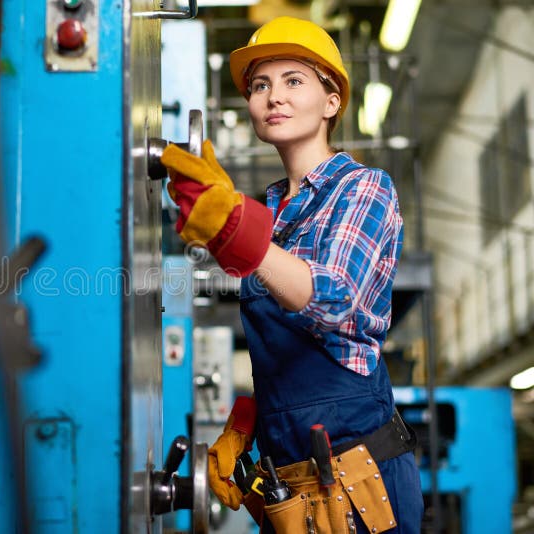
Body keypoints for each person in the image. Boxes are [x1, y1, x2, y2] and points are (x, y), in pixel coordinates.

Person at [160, 16, 423, 534]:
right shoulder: (274, 213)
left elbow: (334, 298)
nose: (273, 96)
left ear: (331, 102)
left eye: (293, 80)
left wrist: (238, 229)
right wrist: (249, 421)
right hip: (290, 485)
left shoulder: (365, 188)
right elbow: (292, 348)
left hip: (359, 490)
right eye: (260, 85)